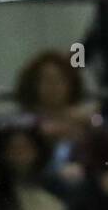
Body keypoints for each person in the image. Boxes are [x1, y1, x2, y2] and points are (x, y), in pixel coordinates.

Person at [14, 49, 97, 190]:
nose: (53, 86)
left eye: (59, 80)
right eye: (46, 80)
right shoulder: (22, 123)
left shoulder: (86, 121)